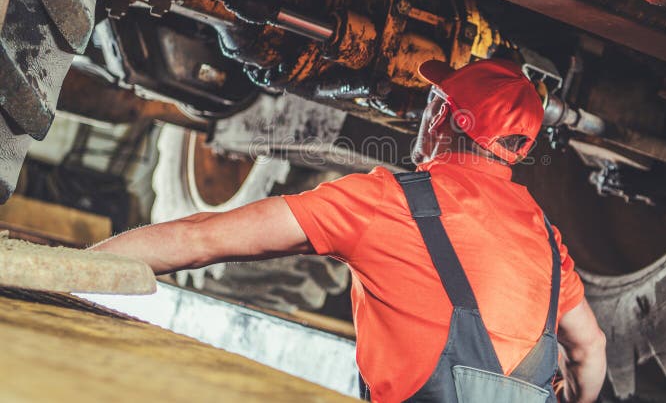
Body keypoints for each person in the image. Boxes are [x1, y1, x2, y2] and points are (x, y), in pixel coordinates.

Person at [92, 58, 607, 403]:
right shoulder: (545, 237)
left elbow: (203, 237)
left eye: (431, 101)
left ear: (441, 118)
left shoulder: (386, 201)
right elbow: (588, 350)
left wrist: (77, 266)